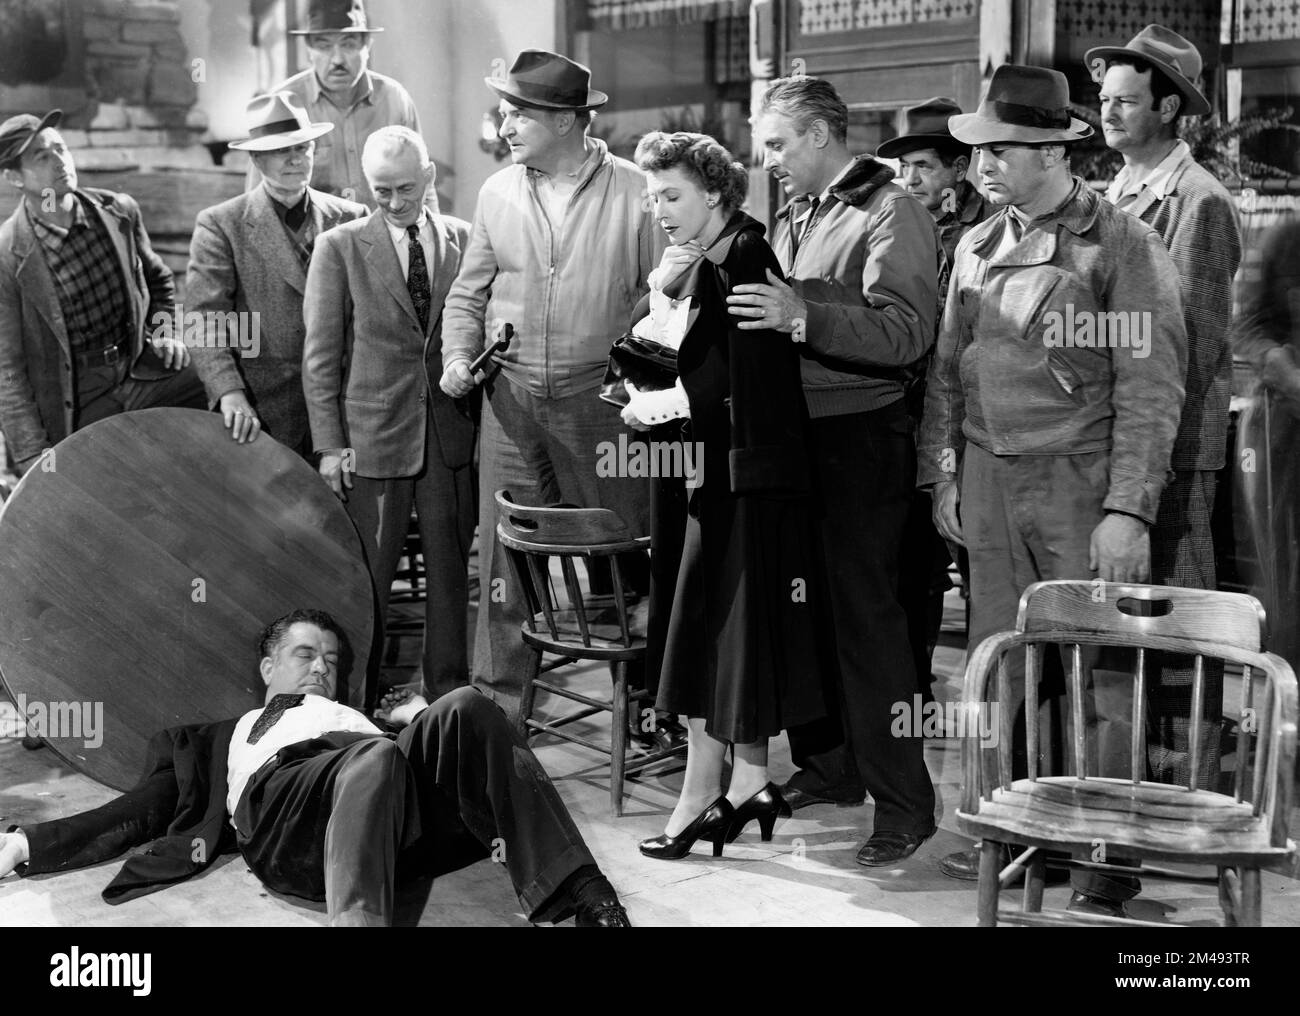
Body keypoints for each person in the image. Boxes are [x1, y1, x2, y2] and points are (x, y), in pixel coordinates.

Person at [916, 65, 1188, 891]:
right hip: (991, 482)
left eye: (998, 151)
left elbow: (1151, 385)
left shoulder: (1121, 244)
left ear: (1048, 150)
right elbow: (946, 374)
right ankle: (1009, 835)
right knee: (1000, 665)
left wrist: (1128, 511)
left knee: (1099, 671)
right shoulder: (976, 242)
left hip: (1080, 482)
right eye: (979, 152)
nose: (982, 167)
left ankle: (1105, 857)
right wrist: (945, 472)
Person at [0, 608, 629, 927]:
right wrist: (26, 843)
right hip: (288, 821)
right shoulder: (219, 736)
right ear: (267, 668)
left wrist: (415, 719)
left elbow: (446, 754)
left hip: (386, 814)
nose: (322, 666)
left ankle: (582, 892)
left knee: (464, 704)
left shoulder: (366, 726)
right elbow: (140, 812)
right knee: (376, 755)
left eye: (331, 658)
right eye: (305, 654)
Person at [1047, 23, 1243, 915]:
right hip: (1121, 454)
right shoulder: (1112, 192)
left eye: (1126, 99)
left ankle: (1179, 830)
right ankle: (1111, 824)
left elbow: (1194, 349)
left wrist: (1155, 469)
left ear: (1170, 107)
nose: (1108, 113)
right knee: (1120, 642)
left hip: (1172, 457)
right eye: (1104, 99)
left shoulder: (1197, 201)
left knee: (1175, 640)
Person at [728, 76, 939, 866]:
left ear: (820, 135)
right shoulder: (798, 214)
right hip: (803, 439)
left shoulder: (893, 211)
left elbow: (907, 334)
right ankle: (831, 767)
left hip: (862, 440)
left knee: (868, 628)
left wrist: (803, 317)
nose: (770, 159)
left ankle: (905, 803)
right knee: (808, 617)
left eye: (779, 144)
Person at [619, 132, 827, 859]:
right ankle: (742, 781)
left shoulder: (741, 256)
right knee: (716, 633)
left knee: (712, 633)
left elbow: (751, 382)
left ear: (713, 191)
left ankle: (713, 788)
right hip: (718, 474)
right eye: (652, 198)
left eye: (671, 195)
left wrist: (667, 403)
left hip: (738, 481)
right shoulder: (715, 255)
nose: (660, 210)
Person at [439, 50, 663, 722]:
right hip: (509, 405)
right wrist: (458, 355)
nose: (505, 125)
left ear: (567, 119)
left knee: (627, 553)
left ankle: (649, 705)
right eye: (506, 111)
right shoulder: (496, 191)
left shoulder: (636, 192)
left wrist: (631, 376)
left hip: (604, 409)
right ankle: (497, 709)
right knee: (506, 561)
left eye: (521, 113)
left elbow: (664, 303)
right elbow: (467, 294)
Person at [302, 126, 476, 710]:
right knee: (368, 579)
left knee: (451, 574)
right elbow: (321, 356)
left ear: (430, 176)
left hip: (450, 435)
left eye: (406, 189)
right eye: (382, 192)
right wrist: (329, 446)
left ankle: (445, 695)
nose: (397, 203)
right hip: (371, 440)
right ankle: (353, 701)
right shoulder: (341, 247)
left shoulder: (464, 239)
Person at [0, 110, 203, 474]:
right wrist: (33, 458)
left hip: (141, 367)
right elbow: (6, 369)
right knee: (103, 493)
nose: (59, 162)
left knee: (223, 374)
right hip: (77, 396)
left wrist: (165, 332)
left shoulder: (116, 211)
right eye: (41, 157)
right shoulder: (6, 255)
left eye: (60, 149)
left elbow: (158, 279)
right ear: (12, 176)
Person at [877, 97, 994, 703]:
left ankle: (992, 697)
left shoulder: (988, 228)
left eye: (923, 165)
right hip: (908, 414)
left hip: (971, 426)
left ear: (958, 167)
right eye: (904, 167)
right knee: (913, 565)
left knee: (982, 574)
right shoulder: (897, 221)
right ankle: (912, 688)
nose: (911, 178)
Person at [188, 92, 367, 455]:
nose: (295, 159)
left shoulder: (351, 216)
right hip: (262, 408)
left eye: (304, 148)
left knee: (342, 510)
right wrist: (229, 393)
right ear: (256, 157)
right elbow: (203, 319)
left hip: (342, 403)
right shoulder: (222, 224)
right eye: (281, 150)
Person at [247, 0, 420, 209]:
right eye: (324, 45)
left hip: (384, 235)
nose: (337, 59)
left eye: (348, 44)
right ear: (309, 49)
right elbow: (258, 203)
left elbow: (421, 186)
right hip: (312, 240)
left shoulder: (394, 99)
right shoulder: (282, 104)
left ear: (367, 45)